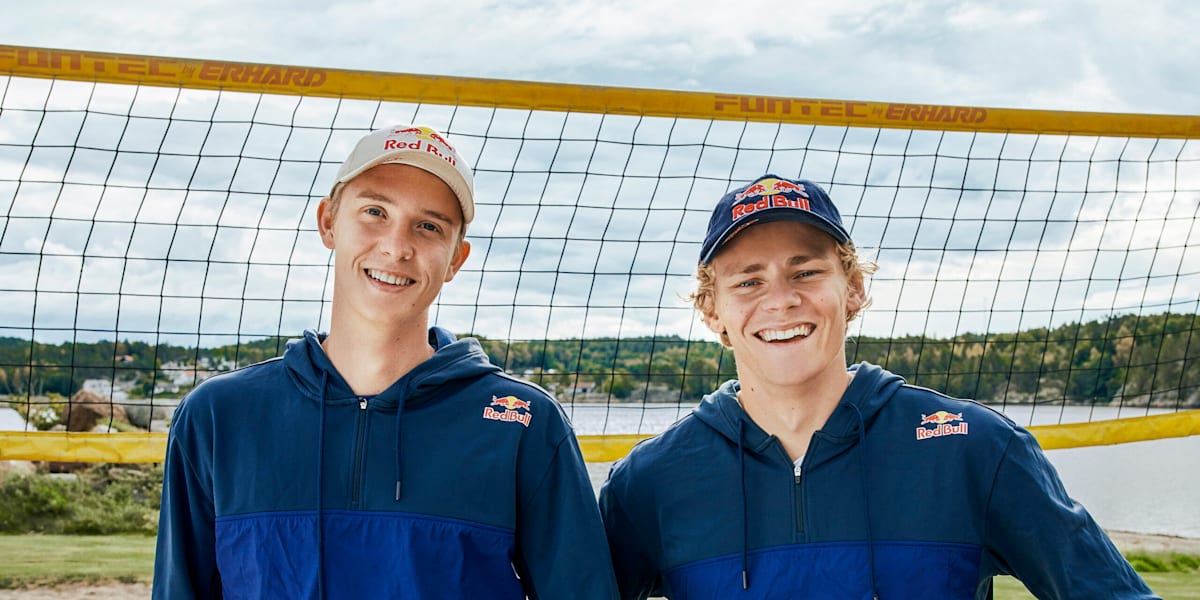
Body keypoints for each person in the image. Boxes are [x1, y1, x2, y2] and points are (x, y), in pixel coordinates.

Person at [598, 174, 1158, 599]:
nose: (781, 299)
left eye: (806, 271)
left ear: (854, 289)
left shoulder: (972, 447)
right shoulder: (651, 481)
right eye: (748, 281)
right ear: (711, 311)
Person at [154, 125, 619, 599]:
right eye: (375, 212)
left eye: (429, 226)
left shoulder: (521, 422)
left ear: (456, 259)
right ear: (328, 222)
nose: (397, 247)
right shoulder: (218, 415)